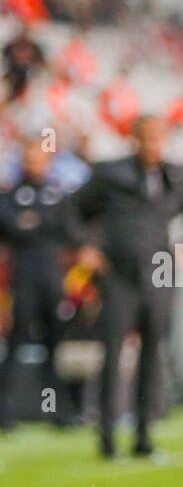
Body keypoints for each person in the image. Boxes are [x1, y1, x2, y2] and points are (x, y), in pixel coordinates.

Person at [76, 115, 183, 459]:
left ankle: (144, 437)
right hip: (118, 276)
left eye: (157, 139)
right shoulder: (110, 174)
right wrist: (86, 248)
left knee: (153, 355)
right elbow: (73, 209)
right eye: (146, 139)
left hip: (158, 276)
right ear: (134, 139)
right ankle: (106, 439)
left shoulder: (173, 175)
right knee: (113, 353)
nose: (152, 146)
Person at [0, 138, 79, 430]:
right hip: (22, 279)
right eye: (29, 158)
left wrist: (32, 224)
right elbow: (11, 227)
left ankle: (57, 411)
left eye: (38, 159)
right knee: (15, 343)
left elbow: (67, 229)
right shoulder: (11, 194)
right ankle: (4, 413)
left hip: (51, 279)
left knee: (54, 346)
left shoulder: (57, 194)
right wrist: (35, 226)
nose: (33, 164)